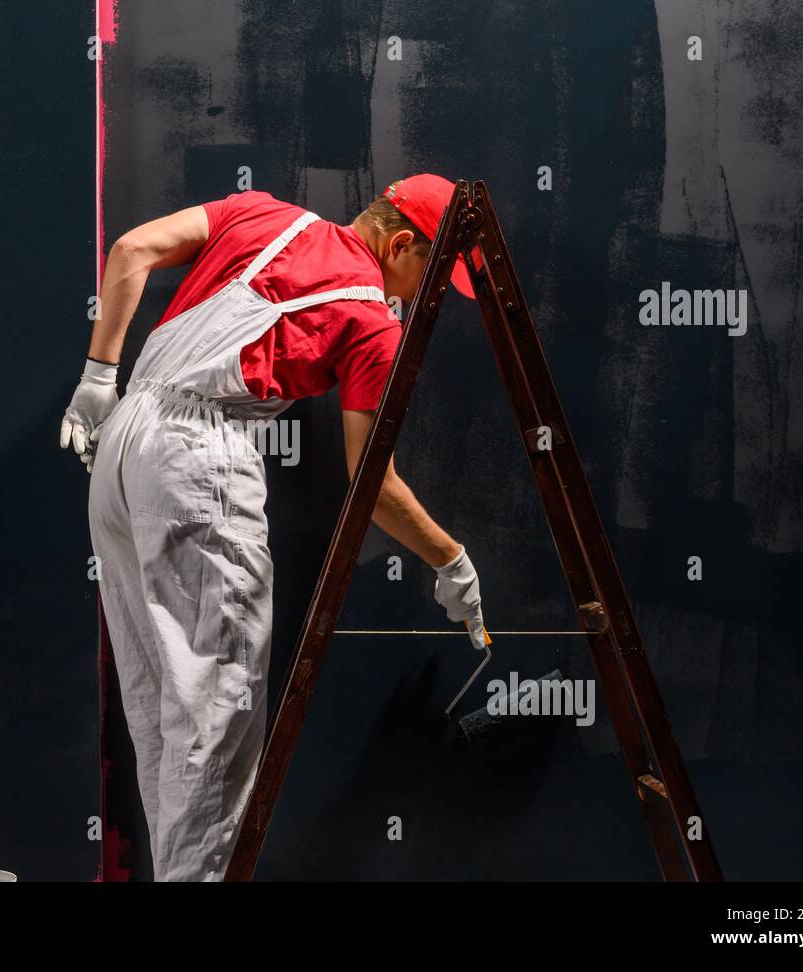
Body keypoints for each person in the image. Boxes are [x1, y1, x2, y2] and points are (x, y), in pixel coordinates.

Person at [60, 173, 486, 880]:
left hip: (123, 439)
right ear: (404, 243)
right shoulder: (373, 323)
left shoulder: (262, 213)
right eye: (427, 278)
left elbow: (132, 249)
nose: (421, 296)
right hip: (198, 461)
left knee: (160, 700)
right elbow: (372, 483)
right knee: (216, 712)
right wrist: (450, 560)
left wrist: (99, 377)